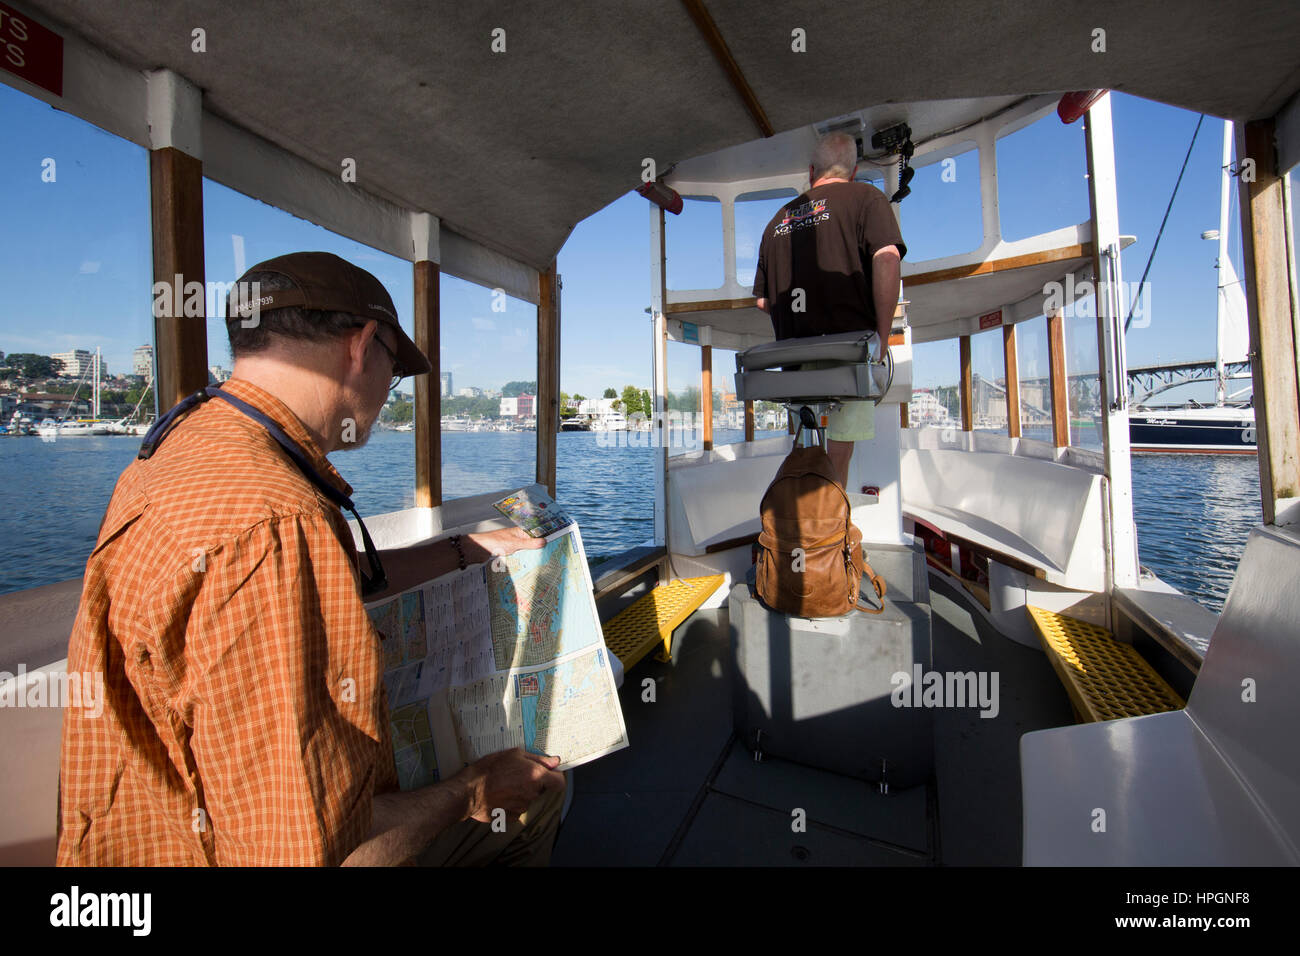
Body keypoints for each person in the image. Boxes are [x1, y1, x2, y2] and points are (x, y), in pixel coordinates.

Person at [57, 251, 565, 866]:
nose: (387, 390)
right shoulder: (279, 522)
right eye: (393, 371)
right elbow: (304, 852)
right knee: (537, 797)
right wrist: (476, 788)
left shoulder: (181, 447)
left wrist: (469, 547)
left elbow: (326, 582)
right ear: (364, 344)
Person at [752, 132, 906, 487]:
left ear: (811, 171)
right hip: (847, 353)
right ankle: (829, 535)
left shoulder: (777, 220)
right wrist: (881, 339)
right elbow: (886, 259)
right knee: (838, 451)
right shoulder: (867, 197)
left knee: (806, 448)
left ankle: (795, 527)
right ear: (853, 171)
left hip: (794, 363)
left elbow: (763, 300)